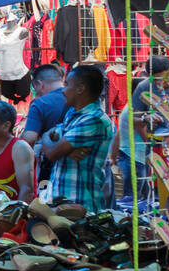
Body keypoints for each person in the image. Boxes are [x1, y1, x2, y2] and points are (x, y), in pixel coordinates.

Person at [43, 65, 115, 211]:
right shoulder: (73, 113)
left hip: (80, 203)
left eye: (67, 84)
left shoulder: (94, 119)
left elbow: (52, 153)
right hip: (62, 200)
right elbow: (50, 136)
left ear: (80, 89)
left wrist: (54, 142)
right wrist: (58, 143)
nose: (63, 90)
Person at [106, 57, 169, 208]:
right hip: (133, 159)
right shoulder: (135, 111)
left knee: (137, 198)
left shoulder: (129, 108)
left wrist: (113, 157)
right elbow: (142, 134)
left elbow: (117, 136)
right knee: (130, 201)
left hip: (132, 156)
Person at [21, 64, 68, 177]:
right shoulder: (78, 98)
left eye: (35, 87)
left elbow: (29, 138)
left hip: (52, 166)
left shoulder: (40, 103)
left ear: (39, 84)